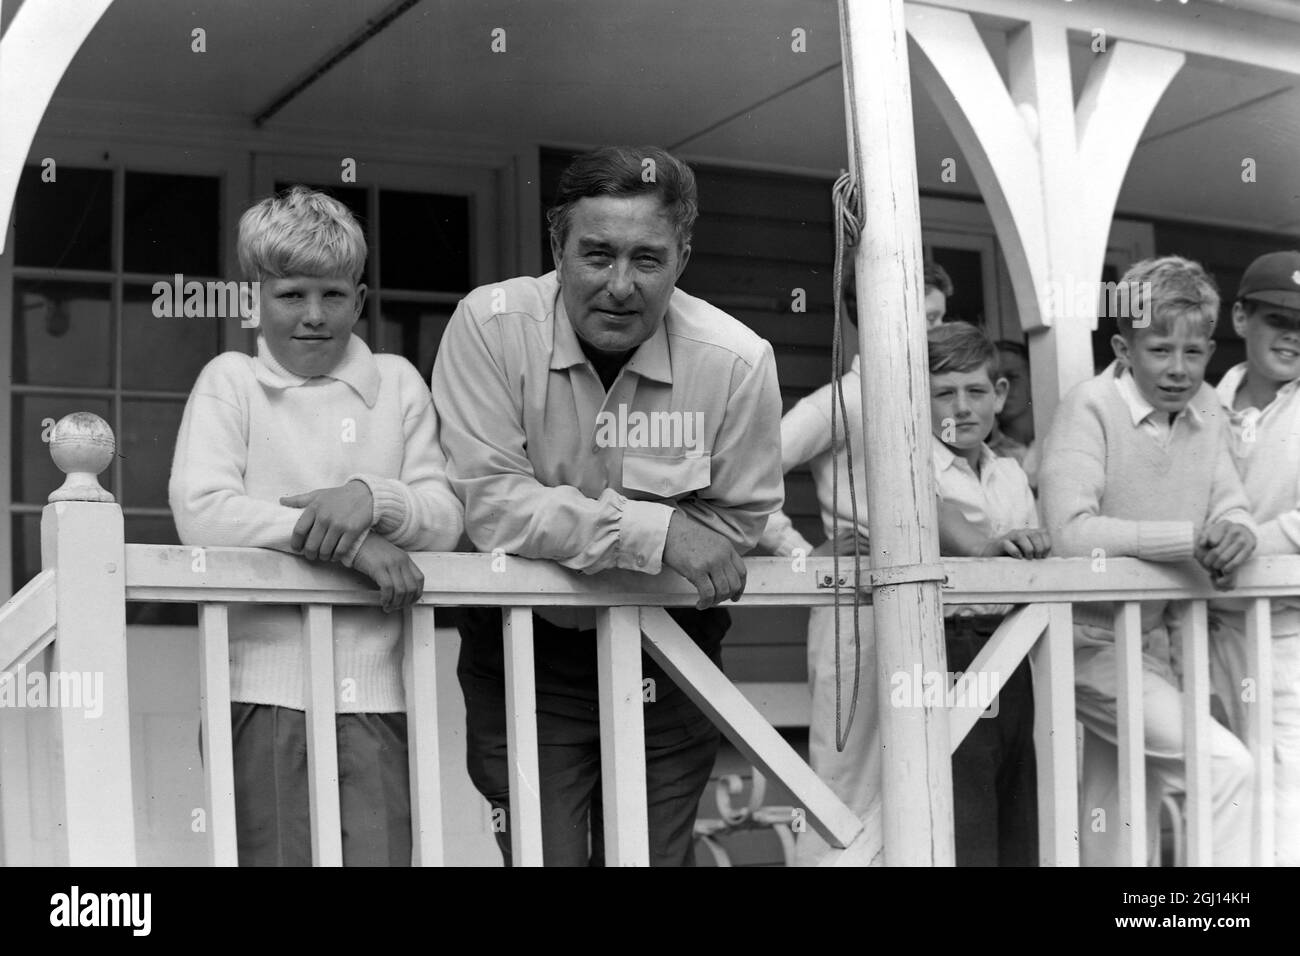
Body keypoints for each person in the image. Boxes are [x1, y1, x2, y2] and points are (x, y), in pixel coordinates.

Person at [432, 146, 783, 866]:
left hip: (672, 653)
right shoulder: (492, 326)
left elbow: (737, 526)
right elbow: (493, 508)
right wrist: (656, 532)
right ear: (555, 247)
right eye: (596, 255)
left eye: (647, 259)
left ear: (683, 255)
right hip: (524, 649)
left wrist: (590, 535)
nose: (620, 286)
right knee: (544, 857)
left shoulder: (736, 362)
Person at [169, 186, 464, 865]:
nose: (313, 316)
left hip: (376, 692)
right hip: (259, 691)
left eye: (333, 296)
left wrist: (371, 497)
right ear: (255, 301)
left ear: (359, 301)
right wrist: (351, 546)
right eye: (291, 294)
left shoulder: (396, 383)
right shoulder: (231, 382)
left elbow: (444, 517)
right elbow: (203, 512)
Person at [1040, 255, 1256, 866]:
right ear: (1123, 347)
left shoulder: (1209, 408)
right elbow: (1070, 533)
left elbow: (1230, 502)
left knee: (1122, 806)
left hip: (1156, 646)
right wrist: (1185, 538)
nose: (1178, 370)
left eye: (1194, 352)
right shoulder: (1090, 405)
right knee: (1226, 767)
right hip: (1087, 642)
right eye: (1160, 350)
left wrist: (1237, 529)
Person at [758, 256, 954, 865]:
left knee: (918, 774)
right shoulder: (842, 401)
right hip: (855, 608)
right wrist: (799, 551)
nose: (928, 334)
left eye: (937, 320)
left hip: (927, 604)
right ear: (860, 316)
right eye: (912, 318)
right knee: (845, 777)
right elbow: (744, 477)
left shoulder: (938, 403)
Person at [926, 321, 1047, 866]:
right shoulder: (914, 466)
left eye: (976, 390)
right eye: (943, 392)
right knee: (966, 799)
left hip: (1013, 644)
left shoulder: (1010, 474)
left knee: (1016, 791)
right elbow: (942, 518)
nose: (962, 406)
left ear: (999, 395)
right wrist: (989, 547)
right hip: (951, 647)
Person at [1209, 249, 1300, 865]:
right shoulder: (1201, 405)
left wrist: (1248, 539)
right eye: (1278, 319)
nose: (1292, 337)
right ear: (1241, 318)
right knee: (1222, 789)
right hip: (1204, 626)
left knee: (1287, 789)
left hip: (1289, 629)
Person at [988, 339, 1040, 490]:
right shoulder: (982, 455)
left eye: (1012, 377)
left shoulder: (1051, 440)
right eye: (994, 380)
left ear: (1032, 379)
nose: (1004, 388)